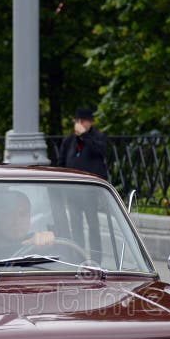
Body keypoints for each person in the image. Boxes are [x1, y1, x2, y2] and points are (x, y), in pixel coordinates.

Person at [57, 107, 106, 259]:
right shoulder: (69, 141)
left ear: (90, 122)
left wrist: (85, 135)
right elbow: (62, 162)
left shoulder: (98, 137)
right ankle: (79, 256)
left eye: (82, 121)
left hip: (90, 190)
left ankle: (96, 258)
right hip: (73, 190)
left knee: (93, 225)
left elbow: (100, 151)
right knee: (76, 225)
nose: (79, 124)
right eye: (77, 121)